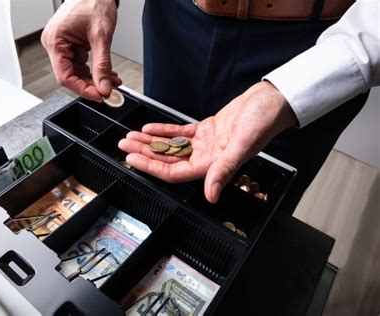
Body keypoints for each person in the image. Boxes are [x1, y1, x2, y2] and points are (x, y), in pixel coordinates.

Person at [42, 0, 379, 213]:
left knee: (256, 207)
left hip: (313, 46)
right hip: (174, 20)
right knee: (154, 174)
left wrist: (287, 92)